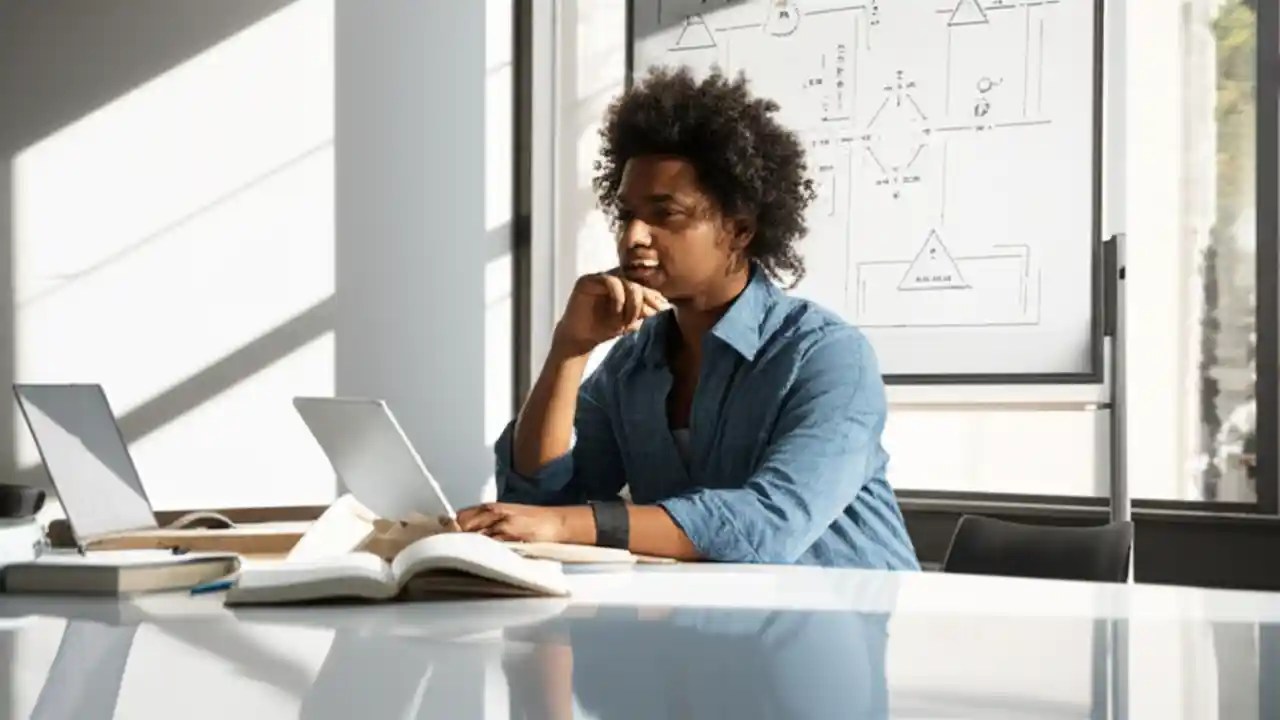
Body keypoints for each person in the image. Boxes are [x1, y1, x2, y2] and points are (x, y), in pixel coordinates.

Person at [458, 67, 918, 569]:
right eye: (627, 214)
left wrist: (569, 523)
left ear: (739, 230)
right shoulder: (634, 362)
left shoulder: (827, 356)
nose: (633, 236)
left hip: (845, 631)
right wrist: (569, 350)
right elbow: (541, 502)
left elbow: (768, 524)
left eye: (664, 213)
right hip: (712, 631)